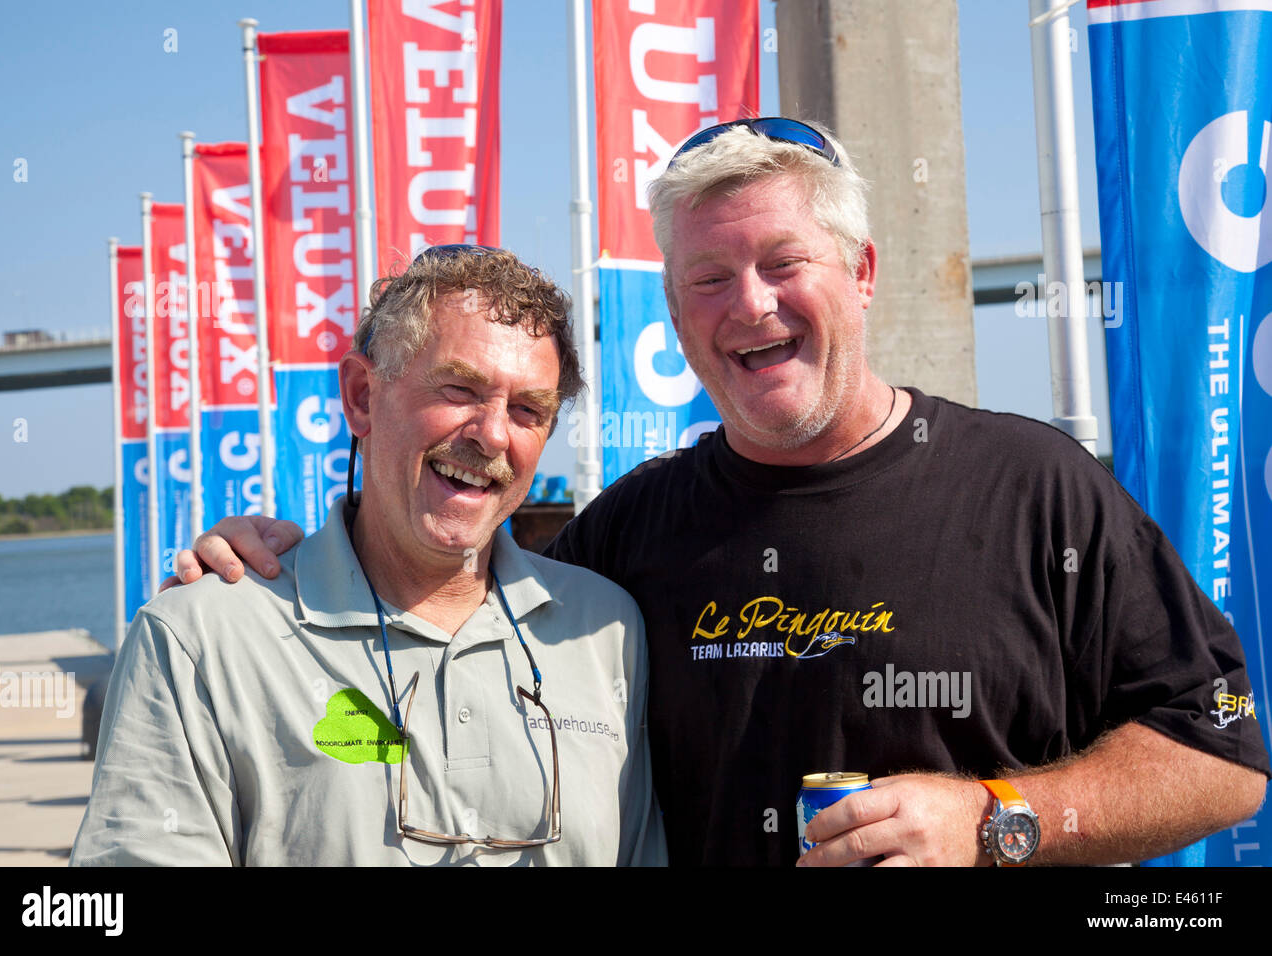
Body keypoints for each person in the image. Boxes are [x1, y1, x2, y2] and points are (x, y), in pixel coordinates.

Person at [175, 119, 1269, 867]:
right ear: (674, 306)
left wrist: (994, 818)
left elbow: (1221, 760)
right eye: (708, 277)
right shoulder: (623, 538)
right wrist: (263, 565)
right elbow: (432, 585)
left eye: (784, 262)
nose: (750, 305)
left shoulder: (1037, 489)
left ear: (864, 274)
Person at [73, 247, 665, 866]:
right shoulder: (199, 640)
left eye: (528, 410)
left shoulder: (606, 631)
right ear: (361, 396)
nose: (492, 434)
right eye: (460, 388)